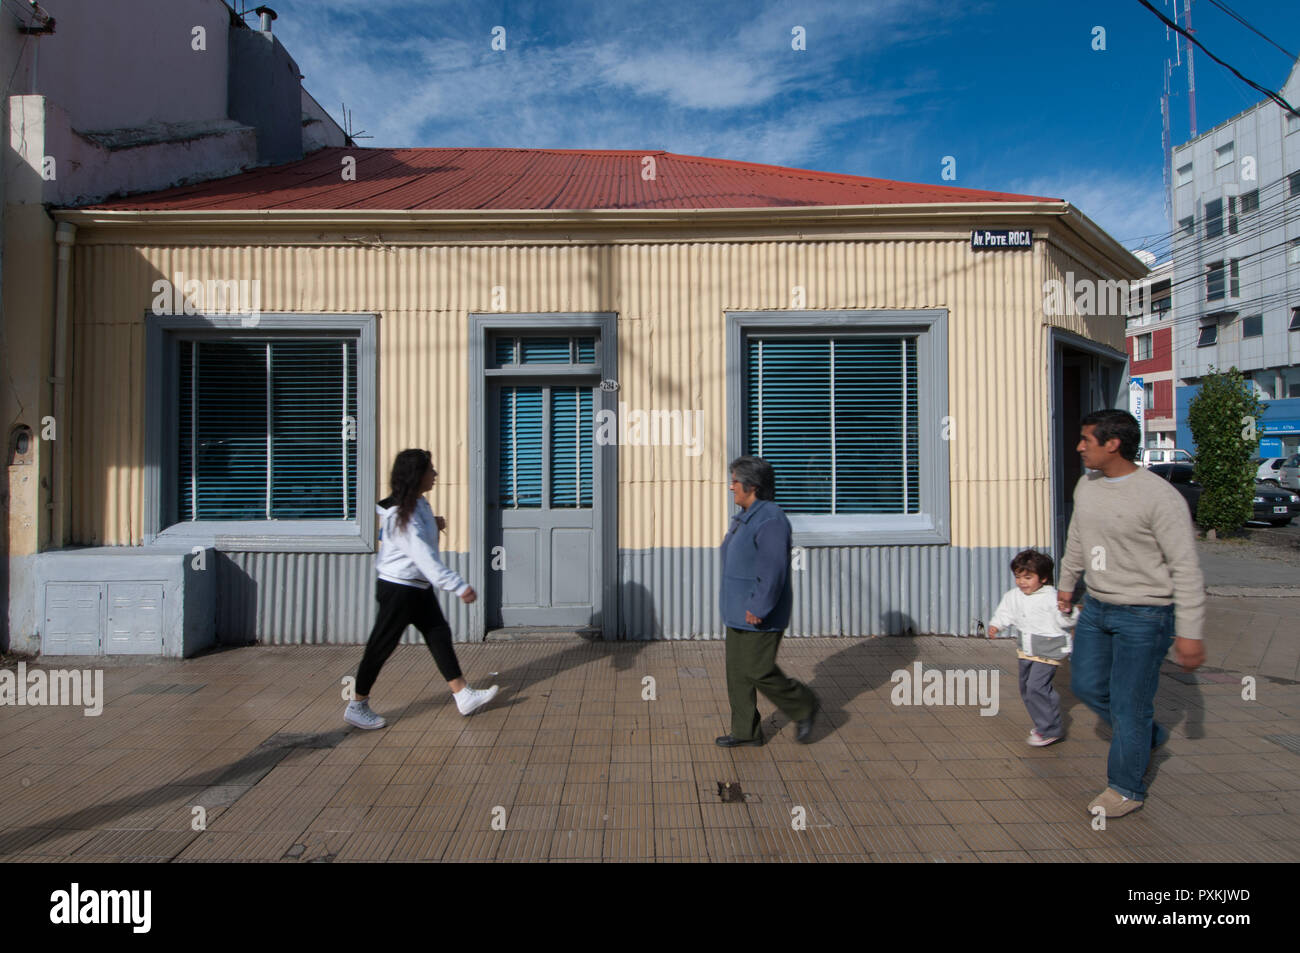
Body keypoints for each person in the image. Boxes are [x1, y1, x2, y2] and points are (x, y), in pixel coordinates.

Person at [1057, 410, 1205, 818]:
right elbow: (1079, 537)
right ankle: (1148, 734)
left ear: (1113, 444)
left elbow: (1187, 568)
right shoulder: (1088, 485)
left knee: (1129, 705)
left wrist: (1190, 632)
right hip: (1097, 608)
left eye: (1086, 439)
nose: (1079, 446)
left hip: (1146, 616)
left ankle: (1125, 788)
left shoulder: (1160, 498)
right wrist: (1068, 583)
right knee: (1086, 686)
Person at [344, 449, 498, 729]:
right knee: (381, 646)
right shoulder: (400, 516)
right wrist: (459, 585)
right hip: (398, 589)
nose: (435, 475)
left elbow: (421, 538)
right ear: (418, 475)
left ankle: (462, 693)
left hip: (416, 587)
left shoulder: (419, 504)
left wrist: (434, 523)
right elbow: (423, 557)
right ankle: (357, 705)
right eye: (431, 470)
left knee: (438, 634)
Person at [715, 456, 818, 747]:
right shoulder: (745, 517)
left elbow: (773, 570)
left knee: (758, 670)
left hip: (758, 612)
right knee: (737, 673)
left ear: (752, 486)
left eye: (735, 481)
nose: (731, 486)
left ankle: (804, 705)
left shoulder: (770, 519)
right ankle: (746, 732)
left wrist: (759, 607)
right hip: (737, 611)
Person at [987, 549, 1077, 747]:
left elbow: (1066, 620)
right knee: (1026, 689)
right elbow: (1005, 613)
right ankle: (1042, 724)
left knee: (1036, 686)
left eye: (1028, 577)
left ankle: (1050, 729)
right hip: (1026, 649)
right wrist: (996, 625)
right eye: (1018, 577)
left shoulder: (1052, 597)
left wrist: (1068, 611)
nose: (1022, 582)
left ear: (1043, 578)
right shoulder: (1013, 596)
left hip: (1048, 649)